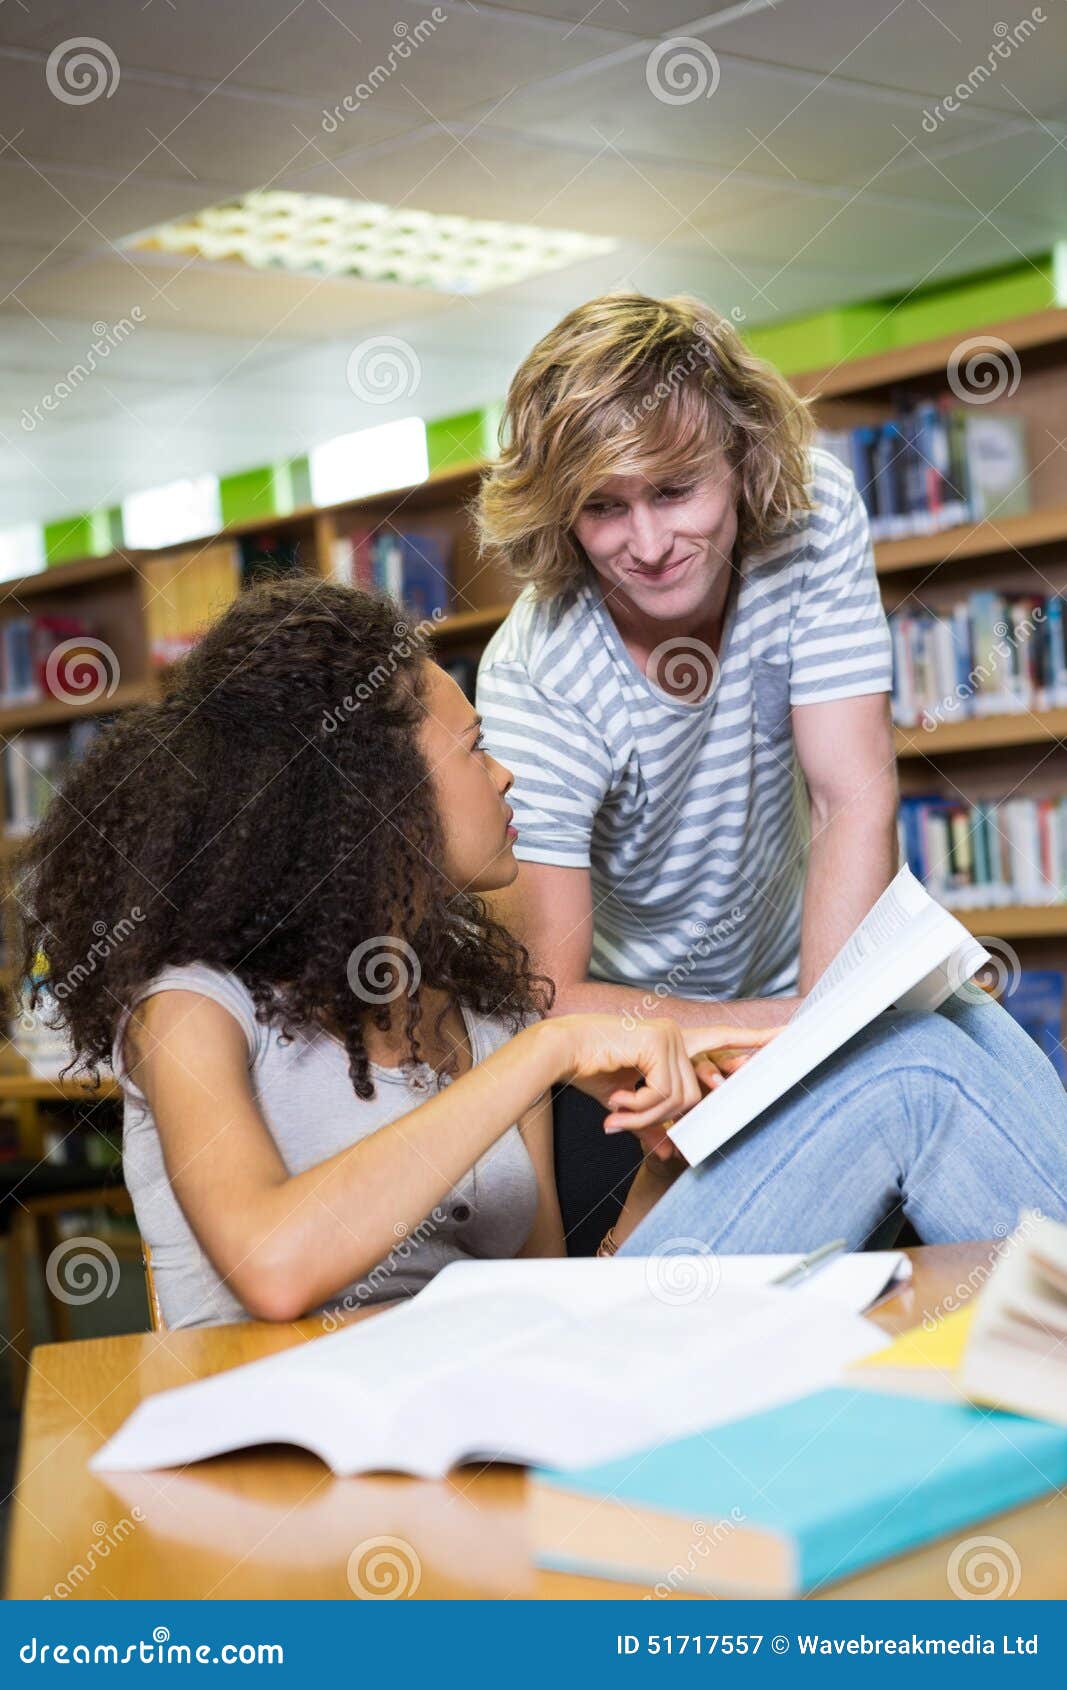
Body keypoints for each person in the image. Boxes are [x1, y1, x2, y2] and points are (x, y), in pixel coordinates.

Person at [17, 579, 1066, 1329]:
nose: (507, 775)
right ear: (371, 798)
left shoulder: (472, 998)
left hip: (513, 1372)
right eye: (475, 748)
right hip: (328, 1416)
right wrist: (544, 1049)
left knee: (949, 1020)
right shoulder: (188, 1008)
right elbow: (275, 1266)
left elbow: (559, 1282)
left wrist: (664, 1158)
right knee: (918, 1073)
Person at [473, 290, 901, 1243]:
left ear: (743, 461)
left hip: (806, 984)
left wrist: (812, 1038)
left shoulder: (814, 513)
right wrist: (774, 1031)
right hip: (626, 1051)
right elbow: (546, 992)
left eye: (674, 491)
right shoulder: (539, 670)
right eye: (603, 507)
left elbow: (850, 800)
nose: (651, 544)